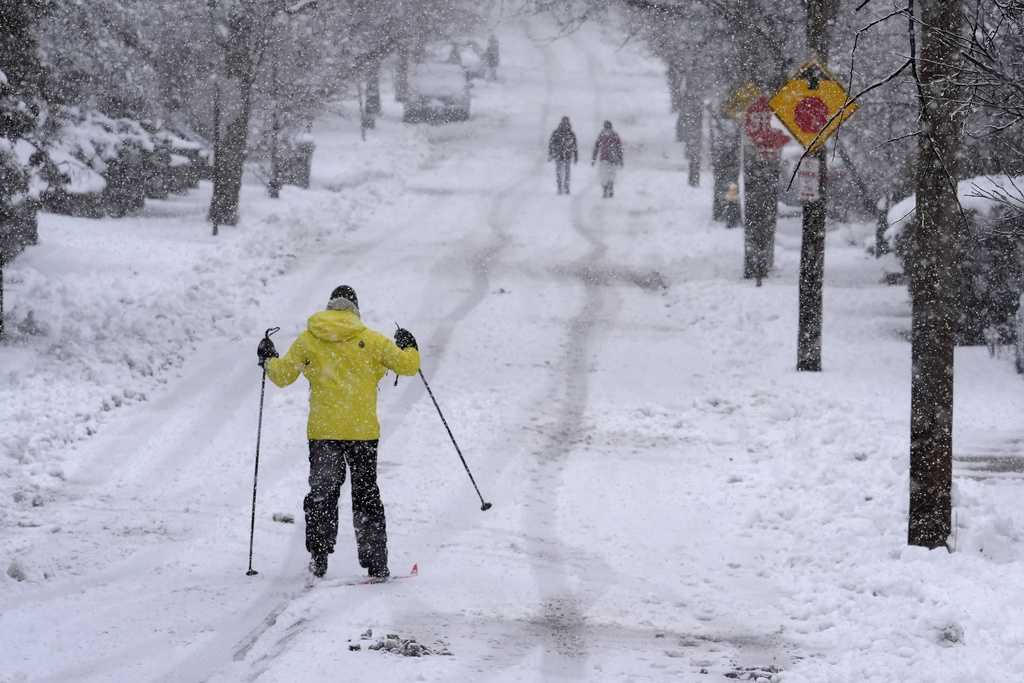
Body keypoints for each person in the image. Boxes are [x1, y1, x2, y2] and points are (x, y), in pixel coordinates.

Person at [257, 285, 420, 579]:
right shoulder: (372, 340)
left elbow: (282, 376)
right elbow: (408, 366)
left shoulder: (310, 340)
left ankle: (319, 558)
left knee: (323, 493)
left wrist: (268, 357)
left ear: (330, 307)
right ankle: (376, 563)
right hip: (363, 433)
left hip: (324, 433)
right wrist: (409, 344)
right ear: (355, 310)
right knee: (366, 495)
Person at [592, 121, 624, 198]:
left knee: (605, 175)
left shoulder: (602, 135)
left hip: (606, 159)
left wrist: (594, 158)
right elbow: (619, 148)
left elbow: (596, 147)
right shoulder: (614, 135)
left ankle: (606, 189)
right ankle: (608, 188)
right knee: (609, 175)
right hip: (611, 159)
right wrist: (620, 159)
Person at [548, 116, 578, 195]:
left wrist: (575, 156)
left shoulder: (570, 134)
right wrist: (551, 153)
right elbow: (551, 144)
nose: (565, 125)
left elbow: (575, 146)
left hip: (566, 156)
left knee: (566, 173)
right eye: (564, 123)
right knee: (560, 173)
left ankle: (566, 187)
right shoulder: (557, 133)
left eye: (566, 123)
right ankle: (560, 187)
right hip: (559, 155)